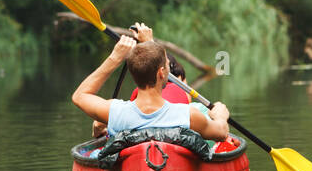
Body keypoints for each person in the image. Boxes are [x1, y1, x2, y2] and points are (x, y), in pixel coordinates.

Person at [74, 23, 229, 142]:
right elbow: (222, 133)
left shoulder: (115, 112)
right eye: (167, 64)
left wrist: (115, 58)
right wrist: (220, 115)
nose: (169, 65)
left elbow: (79, 96)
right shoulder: (187, 115)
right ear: (162, 73)